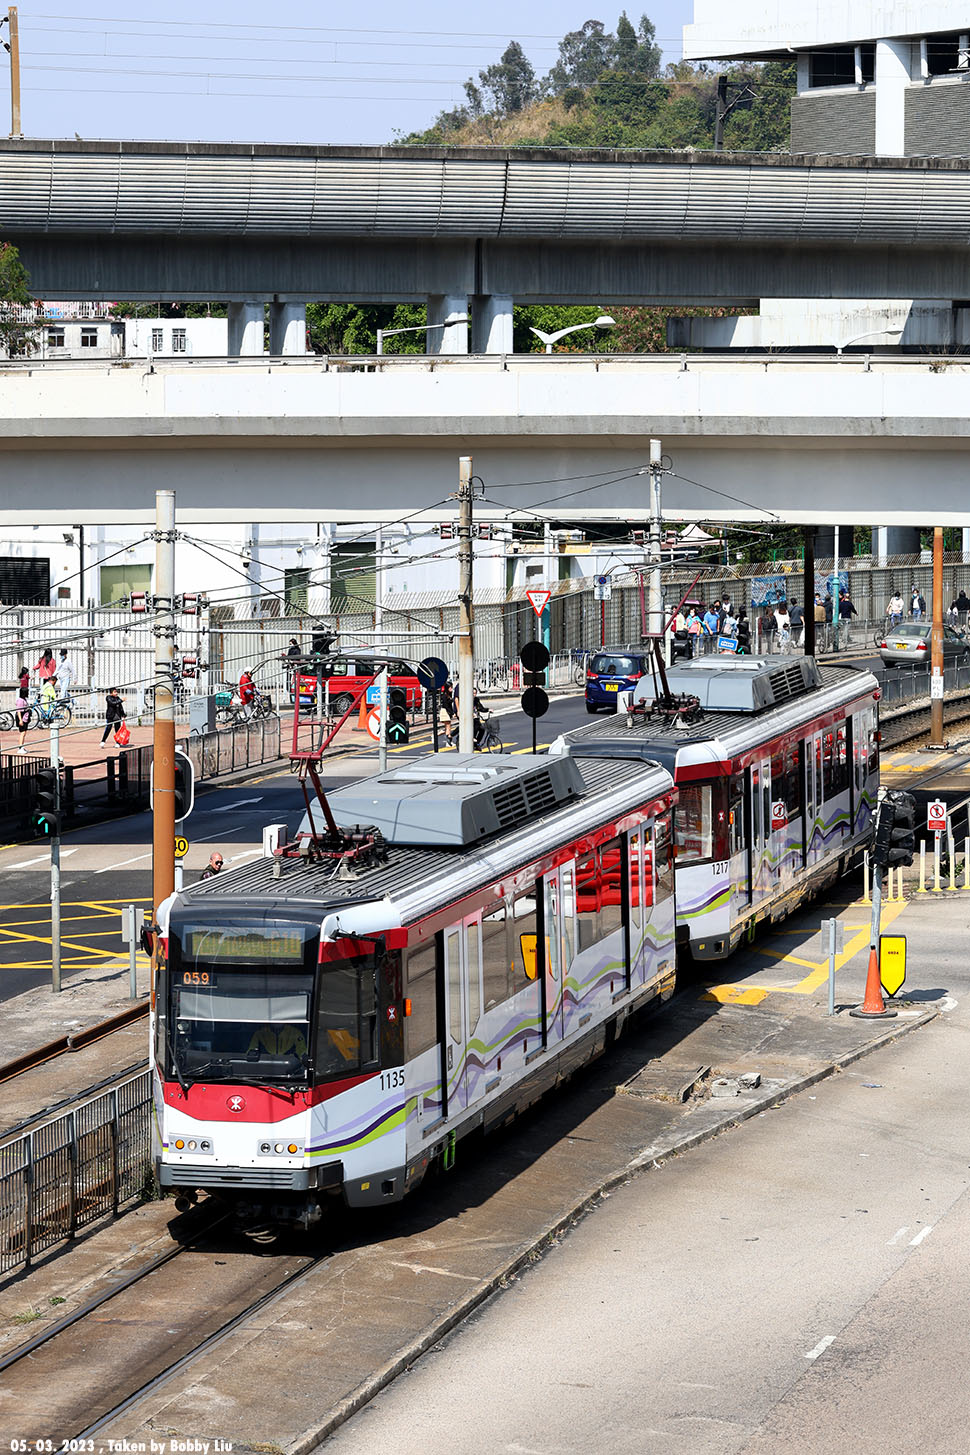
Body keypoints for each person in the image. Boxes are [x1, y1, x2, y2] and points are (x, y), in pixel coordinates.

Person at [14, 686, 29, 752]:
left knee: (24, 733)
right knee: (22, 733)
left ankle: (22, 746)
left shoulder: (24, 699)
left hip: (25, 718)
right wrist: (20, 720)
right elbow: (19, 711)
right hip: (22, 718)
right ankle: (20, 747)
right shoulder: (20, 700)